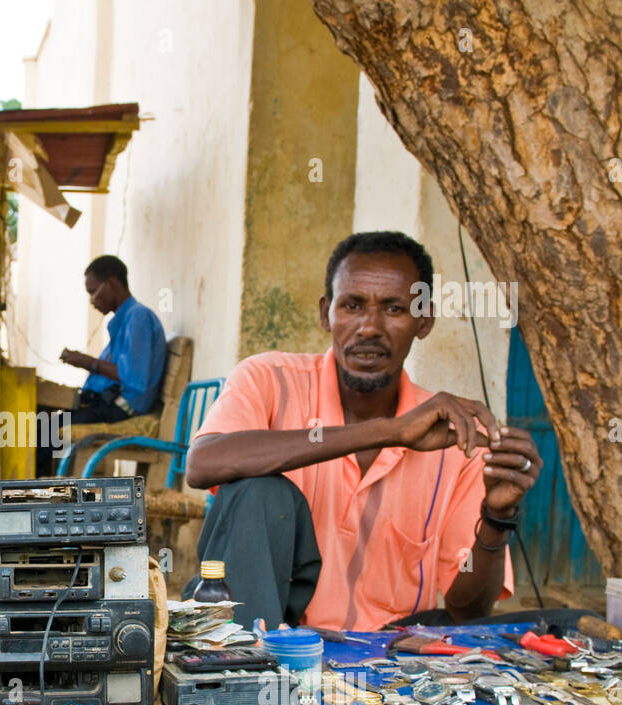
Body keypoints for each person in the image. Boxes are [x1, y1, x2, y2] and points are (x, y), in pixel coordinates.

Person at [185, 230, 541, 632]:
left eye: (393, 309)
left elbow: (467, 611)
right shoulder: (269, 379)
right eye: (353, 305)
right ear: (326, 314)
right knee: (259, 491)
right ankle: (240, 678)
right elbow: (202, 463)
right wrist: (388, 432)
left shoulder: (456, 439)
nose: (369, 328)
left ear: (423, 321)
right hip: (268, 647)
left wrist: (497, 517)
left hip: (382, 666)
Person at [37, 255, 167, 473]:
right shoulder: (124, 320)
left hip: (119, 409)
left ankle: (36, 494)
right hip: (105, 403)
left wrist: (87, 362)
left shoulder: (138, 318)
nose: (92, 300)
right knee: (41, 417)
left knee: (46, 431)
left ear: (113, 283)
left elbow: (133, 377)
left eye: (93, 291)